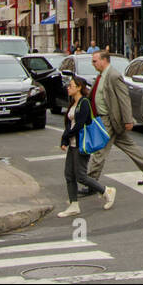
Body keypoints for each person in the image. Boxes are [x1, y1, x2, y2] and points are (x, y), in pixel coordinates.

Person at [87, 49, 143, 187]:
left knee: (100, 150)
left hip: (109, 119)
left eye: (94, 61)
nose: (93, 64)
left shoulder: (113, 75)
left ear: (104, 60)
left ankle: (91, 182)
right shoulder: (101, 75)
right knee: (128, 146)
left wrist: (128, 120)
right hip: (104, 119)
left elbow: (124, 98)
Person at [58, 74, 114, 217]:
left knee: (81, 176)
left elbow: (80, 125)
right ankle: (74, 205)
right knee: (69, 175)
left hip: (81, 145)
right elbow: (69, 124)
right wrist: (65, 141)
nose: (68, 88)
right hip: (72, 144)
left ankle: (106, 191)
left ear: (79, 88)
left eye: (71, 86)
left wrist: (66, 136)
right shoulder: (72, 104)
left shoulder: (84, 103)